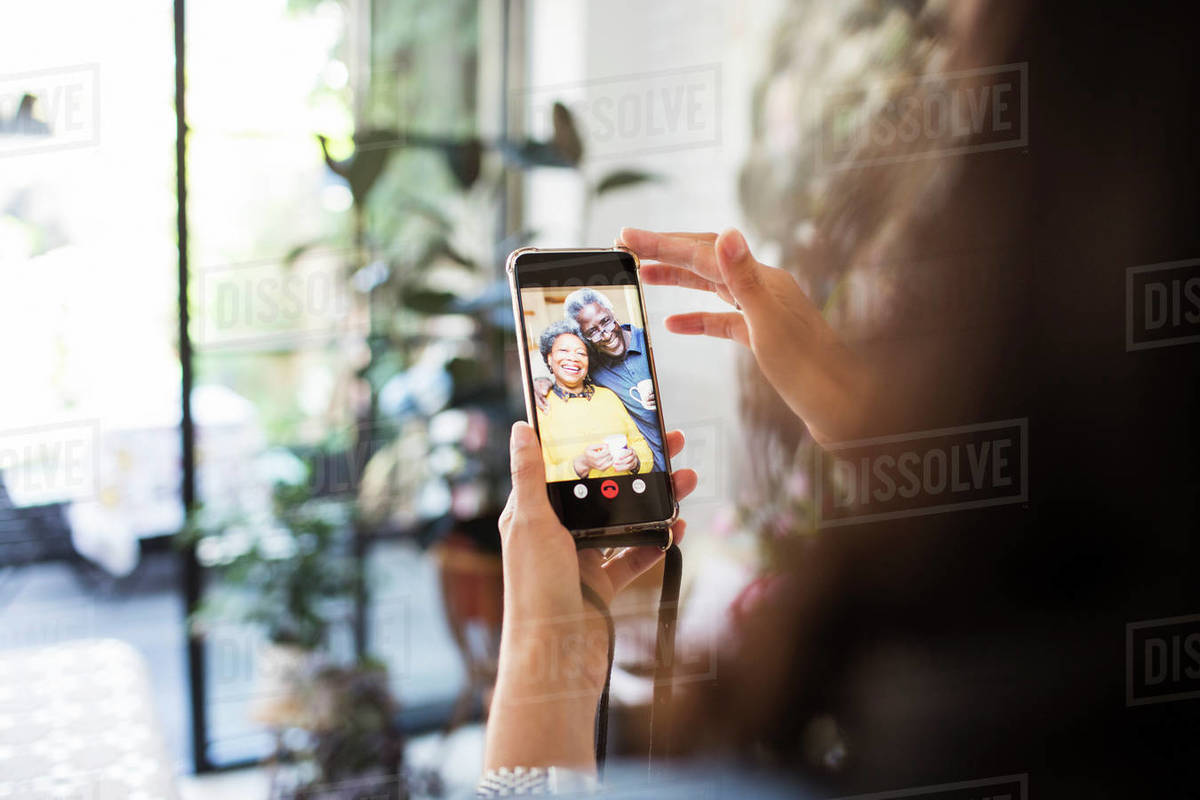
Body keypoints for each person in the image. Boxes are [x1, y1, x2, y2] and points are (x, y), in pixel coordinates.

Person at [533, 288, 667, 472]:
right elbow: (564, 361)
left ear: (612, 313)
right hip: (652, 473)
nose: (606, 335)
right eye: (592, 332)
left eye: (606, 321)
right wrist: (539, 381)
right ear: (585, 338)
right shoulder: (595, 366)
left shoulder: (651, 342)